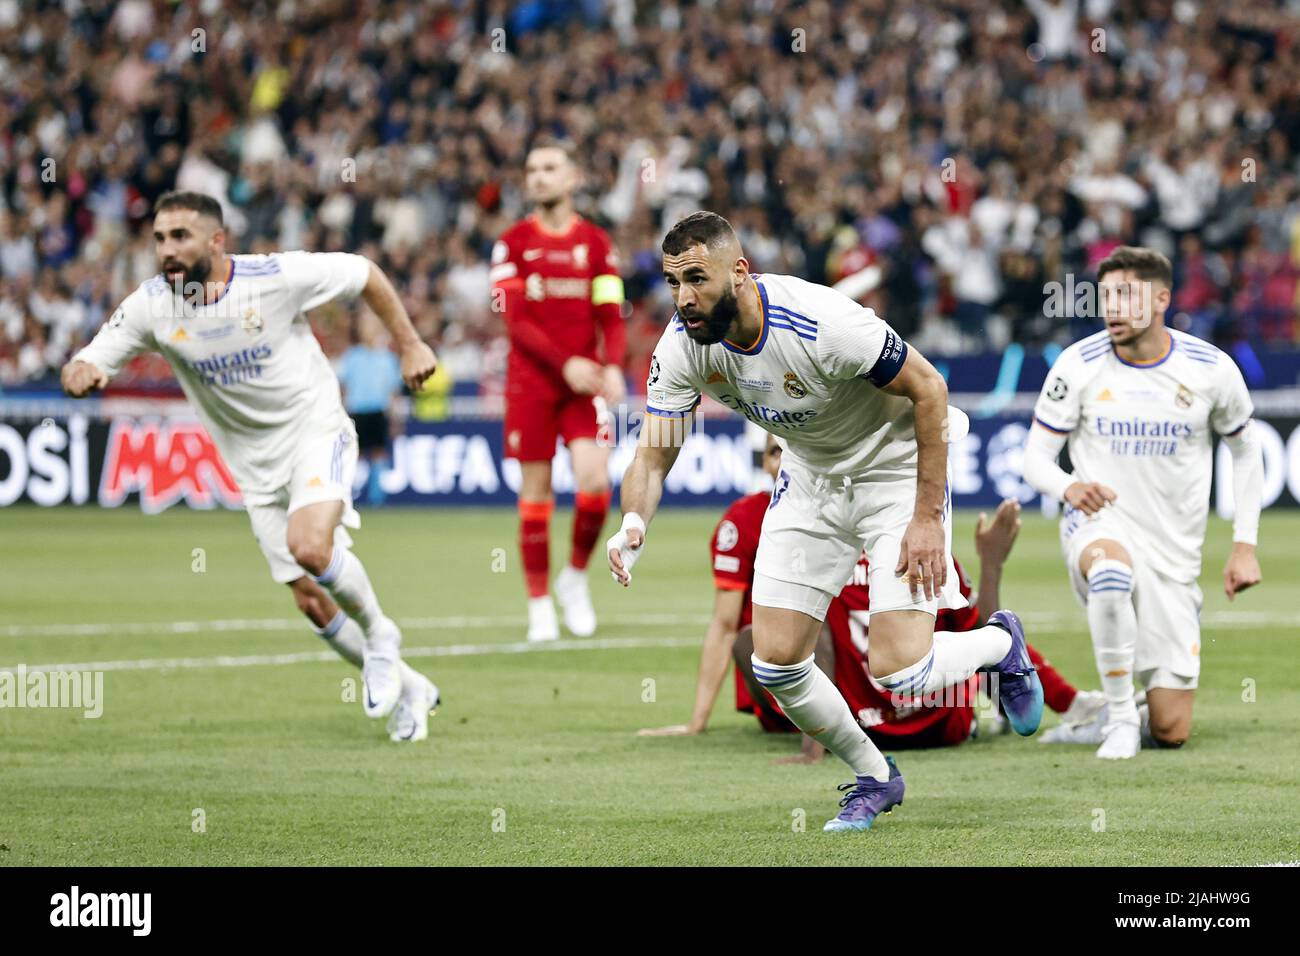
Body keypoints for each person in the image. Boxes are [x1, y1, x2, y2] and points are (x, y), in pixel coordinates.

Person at [608, 211, 1043, 832]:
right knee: (775, 661)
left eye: (696, 280)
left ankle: (1001, 645)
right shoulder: (684, 348)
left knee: (903, 671)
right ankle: (874, 778)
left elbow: (931, 390)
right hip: (811, 478)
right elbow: (653, 453)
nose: (683, 299)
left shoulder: (821, 322)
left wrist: (926, 517)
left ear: (739, 271)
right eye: (673, 282)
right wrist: (632, 523)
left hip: (894, 470)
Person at [60, 190, 441, 742]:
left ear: (217, 240)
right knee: (310, 599)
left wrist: (410, 344)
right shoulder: (152, 306)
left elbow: (364, 274)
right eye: (160, 239)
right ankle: (412, 689)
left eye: (181, 236)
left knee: (311, 547)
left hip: (316, 431)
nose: (167, 249)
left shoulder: (275, 277)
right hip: (254, 470)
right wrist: (80, 374)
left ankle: (382, 635)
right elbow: (90, 357)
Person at [639, 437, 1101, 756]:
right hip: (868, 716)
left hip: (933, 720)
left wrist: (991, 565)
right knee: (759, 641)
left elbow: (975, 629)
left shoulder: (904, 537)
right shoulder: (774, 528)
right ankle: (1009, 711)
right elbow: (742, 631)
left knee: (973, 642)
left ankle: (1067, 707)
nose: (786, 462)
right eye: (777, 451)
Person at [1023, 245, 1263, 758]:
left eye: (1126, 295)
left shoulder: (1210, 369)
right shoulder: (1078, 364)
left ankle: (1113, 713)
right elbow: (1035, 459)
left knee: (1172, 730)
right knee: (1111, 572)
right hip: (1099, 526)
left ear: (1161, 299)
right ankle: (1117, 722)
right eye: (1105, 295)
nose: (1112, 306)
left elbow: (1247, 452)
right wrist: (1069, 488)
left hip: (1173, 556)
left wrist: (1245, 545)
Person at [490, 141, 627, 642]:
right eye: (532, 169)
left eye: (550, 168)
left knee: (594, 483)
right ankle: (539, 603)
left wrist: (611, 365)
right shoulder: (511, 244)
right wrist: (564, 361)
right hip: (531, 384)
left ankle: (573, 577)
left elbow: (610, 316)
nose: (539, 177)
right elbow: (515, 319)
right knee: (536, 493)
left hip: (582, 384)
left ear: (571, 179)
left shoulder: (596, 244)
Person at [336, 312, 405, 507]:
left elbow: (393, 391)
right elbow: (342, 386)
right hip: (357, 410)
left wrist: (395, 417)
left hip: (378, 410)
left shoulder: (387, 358)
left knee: (378, 452)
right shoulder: (352, 356)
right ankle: (346, 494)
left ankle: (377, 497)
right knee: (352, 453)